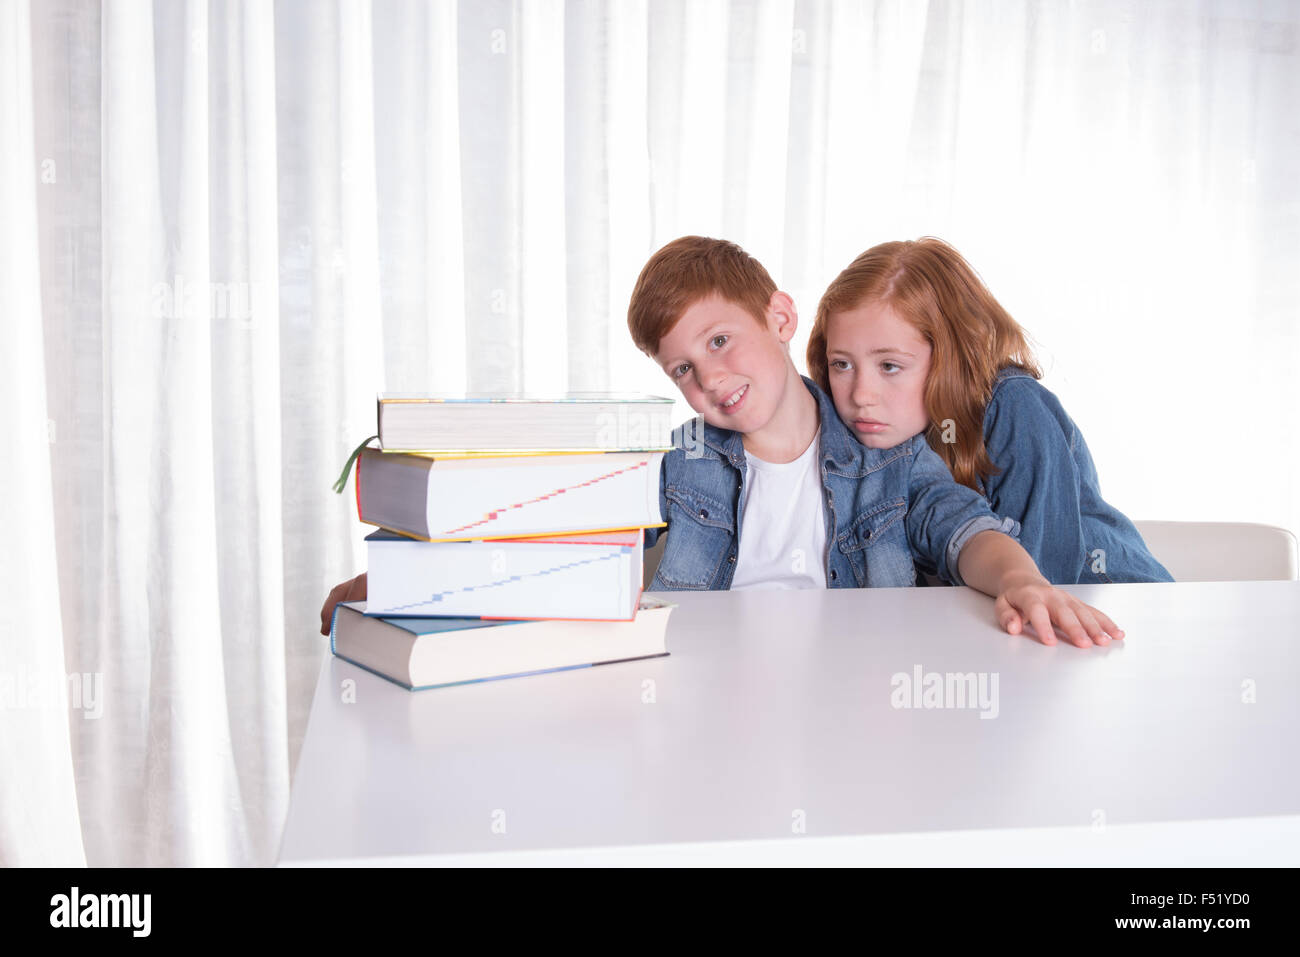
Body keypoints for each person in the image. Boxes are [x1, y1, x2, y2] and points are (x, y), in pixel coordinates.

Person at [322, 236, 1124, 648]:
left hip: (853, 692)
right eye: (681, 366)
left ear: (780, 319)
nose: (707, 376)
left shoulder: (888, 457)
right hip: (707, 689)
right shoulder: (680, 465)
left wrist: (1019, 577)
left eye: (719, 341)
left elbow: (962, 528)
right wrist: (406, 576)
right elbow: (562, 542)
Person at [807, 236, 1172, 585]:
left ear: (947, 357)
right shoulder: (870, 441)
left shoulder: (1016, 408)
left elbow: (1044, 580)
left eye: (889, 366)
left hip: (1114, 610)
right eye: (842, 364)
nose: (862, 395)